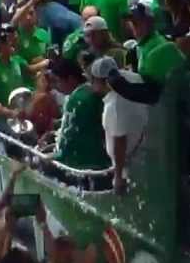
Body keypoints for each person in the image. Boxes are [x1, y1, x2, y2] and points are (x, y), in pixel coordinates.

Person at [90, 56, 148, 195]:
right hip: (143, 146)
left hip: (128, 164)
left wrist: (118, 176)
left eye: (93, 80)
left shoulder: (114, 107)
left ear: (102, 81)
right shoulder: (134, 78)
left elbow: (120, 142)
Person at [50, 57, 110, 173]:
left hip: (82, 163)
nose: (55, 86)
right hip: (102, 158)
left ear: (70, 79)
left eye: (57, 81)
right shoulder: (90, 91)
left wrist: (53, 156)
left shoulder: (76, 100)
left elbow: (67, 139)